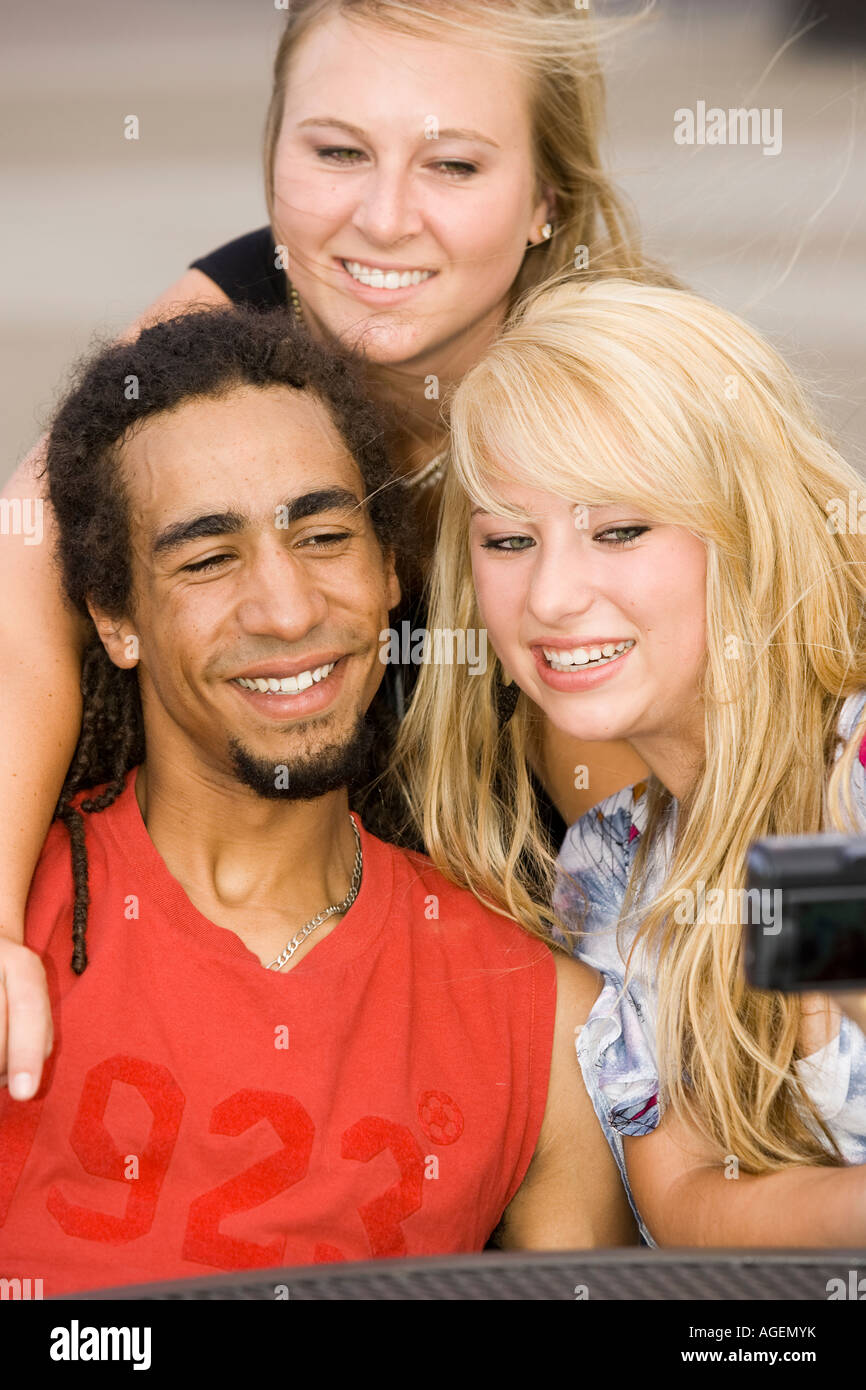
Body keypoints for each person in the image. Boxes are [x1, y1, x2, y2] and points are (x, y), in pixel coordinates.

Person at [0, 0, 659, 1100]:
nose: (383, 218)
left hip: (568, 950)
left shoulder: (628, 393)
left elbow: (778, 745)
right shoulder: (233, 313)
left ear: (546, 199)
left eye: (452, 165)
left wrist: (801, 1081)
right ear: (269, 162)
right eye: (336, 151)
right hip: (288, 960)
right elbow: (26, 560)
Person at [0, 307, 634, 1294]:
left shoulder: (547, 1026)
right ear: (114, 618)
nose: (287, 609)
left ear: (390, 570)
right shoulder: (19, 940)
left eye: (325, 535)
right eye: (208, 559)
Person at [394, 275, 866, 1246]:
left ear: (744, 527)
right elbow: (686, 1201)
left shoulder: (848, 768)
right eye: (509, 540)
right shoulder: (609, 869)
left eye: (619, 529)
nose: (554, 594)